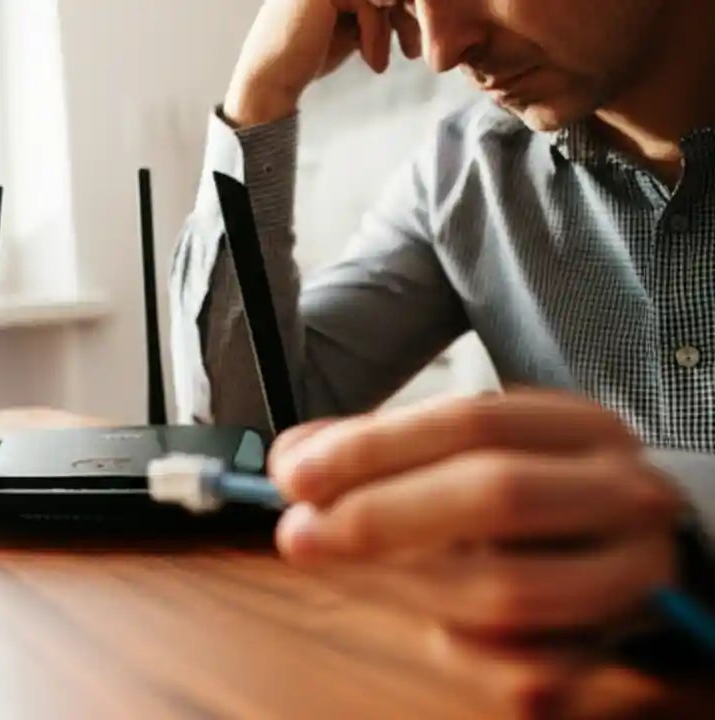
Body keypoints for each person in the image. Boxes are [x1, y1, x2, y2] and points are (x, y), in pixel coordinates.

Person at [170, 0, 715, 639]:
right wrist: (260, 94)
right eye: (403, 4)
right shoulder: (469, 172)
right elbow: (247, 444)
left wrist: (679, 517)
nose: (441, 51)